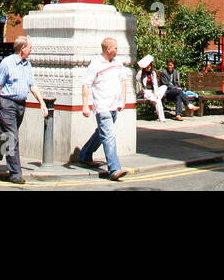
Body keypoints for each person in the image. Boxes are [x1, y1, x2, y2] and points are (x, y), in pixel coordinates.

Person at [0, 36, 48, 185]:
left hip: (21, 105)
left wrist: (42, 102)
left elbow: (32, 85)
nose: (31, 50)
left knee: (6, 137)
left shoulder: (27, 64)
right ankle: (15, 173)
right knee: (12, 138)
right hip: (7, 104)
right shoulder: (7, 63)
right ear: (23, 49)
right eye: (30, 48)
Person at [74, 37, 134, 180]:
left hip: (114, 106)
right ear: (108, 49)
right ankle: (114, 169)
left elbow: (123, 81)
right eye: (115, 48)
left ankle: (84, 154)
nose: (117, 50)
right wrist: (85, 105)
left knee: (102, 133)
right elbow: (85, 85)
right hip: (102, 106)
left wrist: (123, 100)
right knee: (109, 136)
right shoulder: (96, 64)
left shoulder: (117, 63)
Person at [135, 54, 173, 121]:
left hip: (153, 92)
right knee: (157, 100)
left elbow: (155, 84)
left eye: (149, 66)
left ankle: (156, 97)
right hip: (146, 92)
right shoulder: (141, 73)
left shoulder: (153, 73)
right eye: (147, 66)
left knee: (164, 87)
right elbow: (136, 79)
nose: (148, 67)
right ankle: (162, 119)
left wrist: (156, 93)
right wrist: (141, 68)